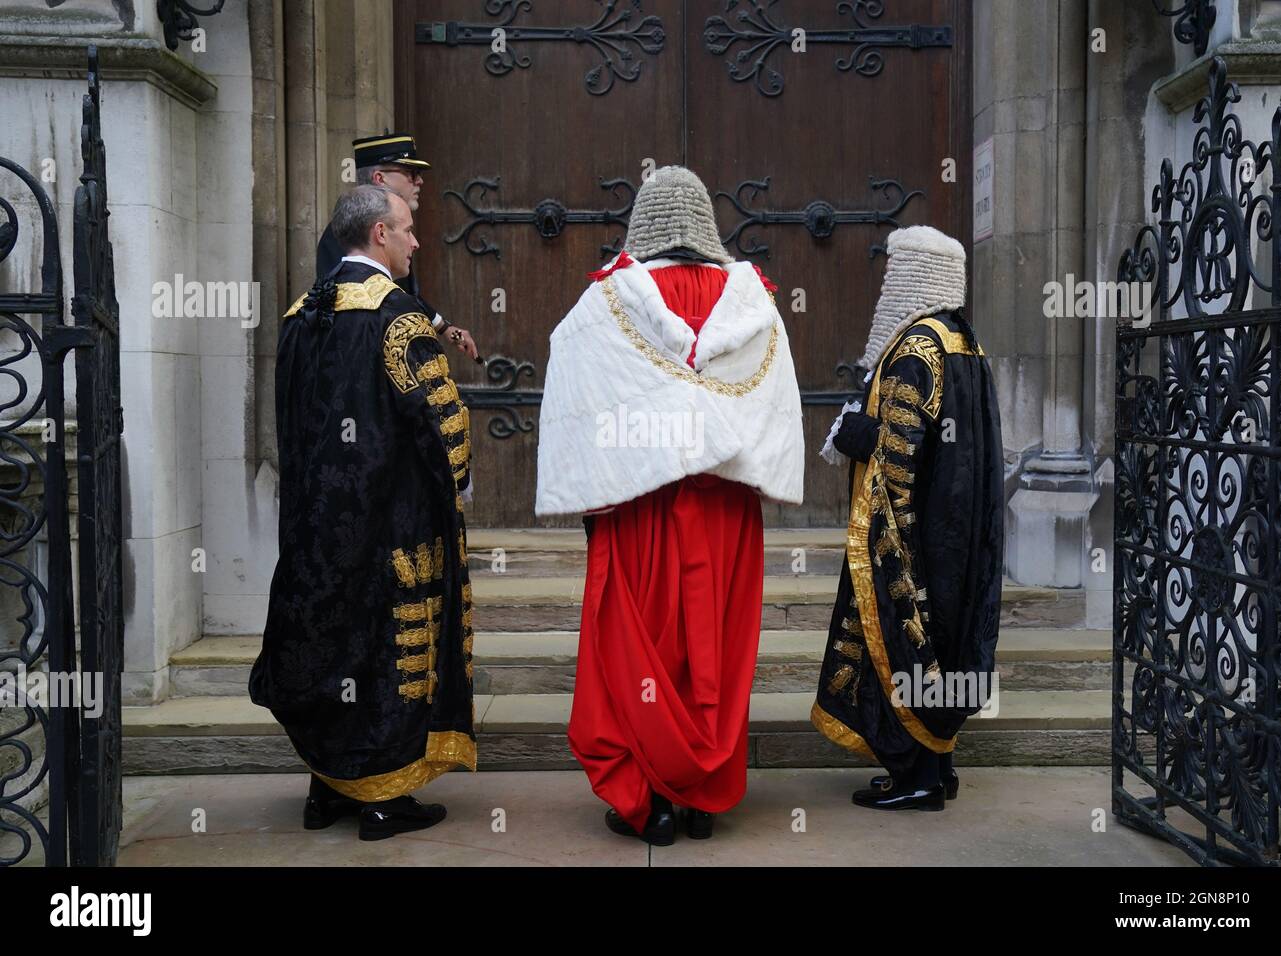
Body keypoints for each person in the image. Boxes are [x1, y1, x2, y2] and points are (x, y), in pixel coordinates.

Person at [536, 166, 804, 845]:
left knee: (638, 646)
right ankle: (704, 796)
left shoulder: (608, 300)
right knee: (714, 640)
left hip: (640, 506)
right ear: (707, 221)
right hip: (725, 511)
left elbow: (573, 381)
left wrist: (590, 482)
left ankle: (647, 800)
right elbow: (776, 405)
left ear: (644, 220)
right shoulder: (754, 303)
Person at [250, 184, 477, 841]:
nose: (415, 240)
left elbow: (289, 425)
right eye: (406, 229)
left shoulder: (302, 312)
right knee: (386, 656)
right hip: (391, 524)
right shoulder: (397, 318)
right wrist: (455, 484)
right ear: (378, 234)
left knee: (330, 650)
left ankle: (327, 789)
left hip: (316, 530)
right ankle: (384, 798)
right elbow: (438, 423)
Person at [813, 224, 1003, 811]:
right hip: (963, 530)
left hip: (916, 531)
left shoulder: (916, 347)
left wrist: (850, 431)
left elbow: (901, 453)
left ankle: (917, 778)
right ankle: (937, 766)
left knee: (912, 640)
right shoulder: (963, 341)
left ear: (910, 275)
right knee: (949, 639)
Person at [318, 132, 480, 364]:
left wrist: (447, 329)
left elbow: (404, 294)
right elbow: (349, 318)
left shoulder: (392, 226)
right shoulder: (345, 233)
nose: (420, 181)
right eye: (411, 173)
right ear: (379, 178)